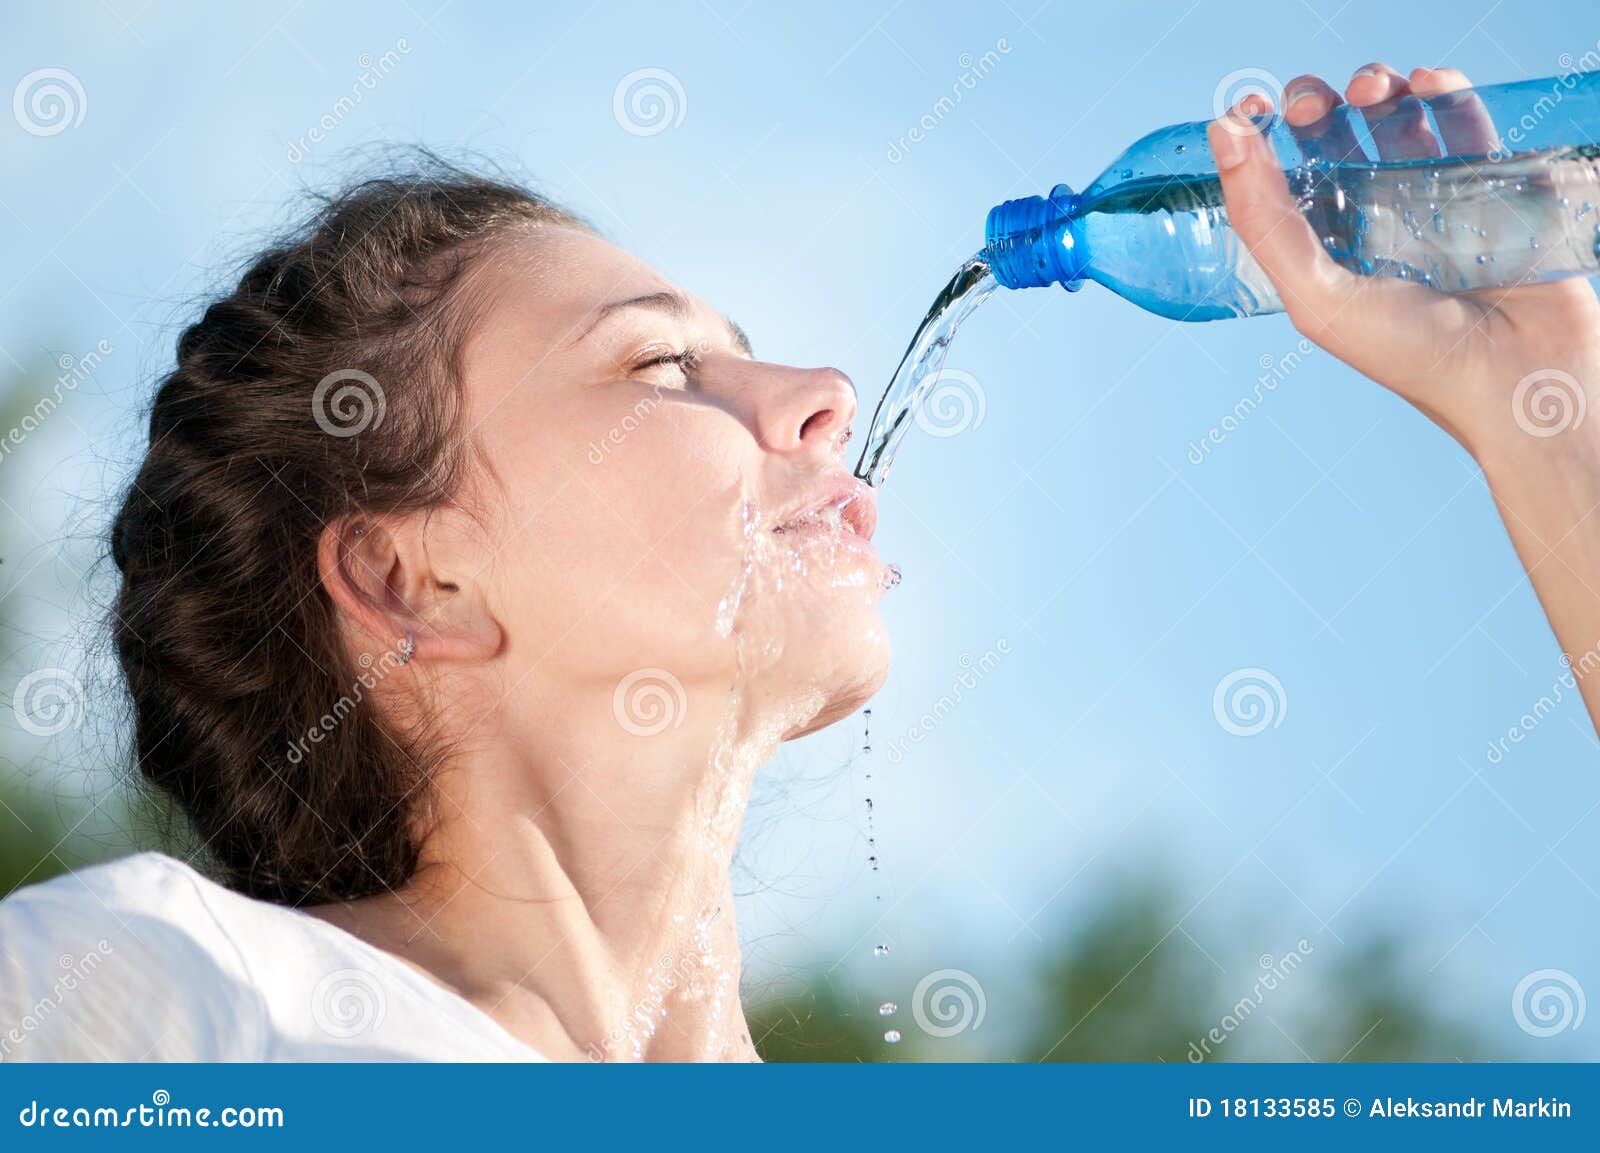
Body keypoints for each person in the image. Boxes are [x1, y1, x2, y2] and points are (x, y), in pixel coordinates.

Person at [1, 61, 1595, 1063]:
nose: (824, 396)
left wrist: (1543, 419)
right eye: (656, 367)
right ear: (419, 584)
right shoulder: (165, 1002)